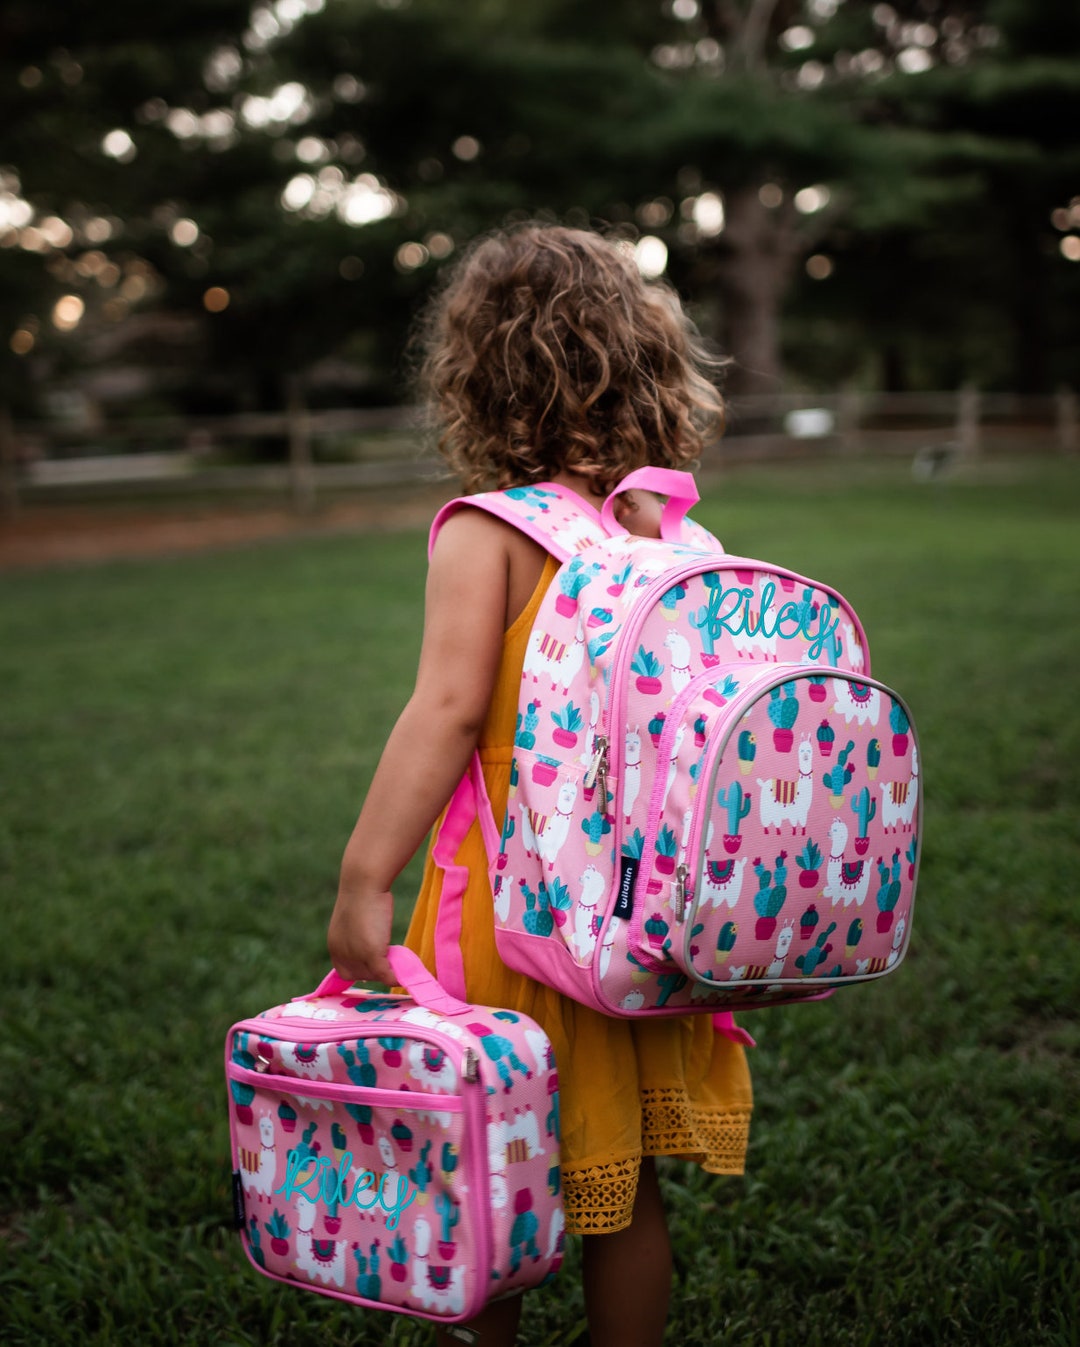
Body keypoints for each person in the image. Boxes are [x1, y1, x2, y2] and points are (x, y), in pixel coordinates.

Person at [328, 224, 753, 1347]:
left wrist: (366, 880)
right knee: (628, 1197)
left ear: (480, 370)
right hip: (637, 916)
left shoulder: (491, 531)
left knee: (483, 1164)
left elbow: (449, 712)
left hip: (507, 912)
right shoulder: (673, 527)